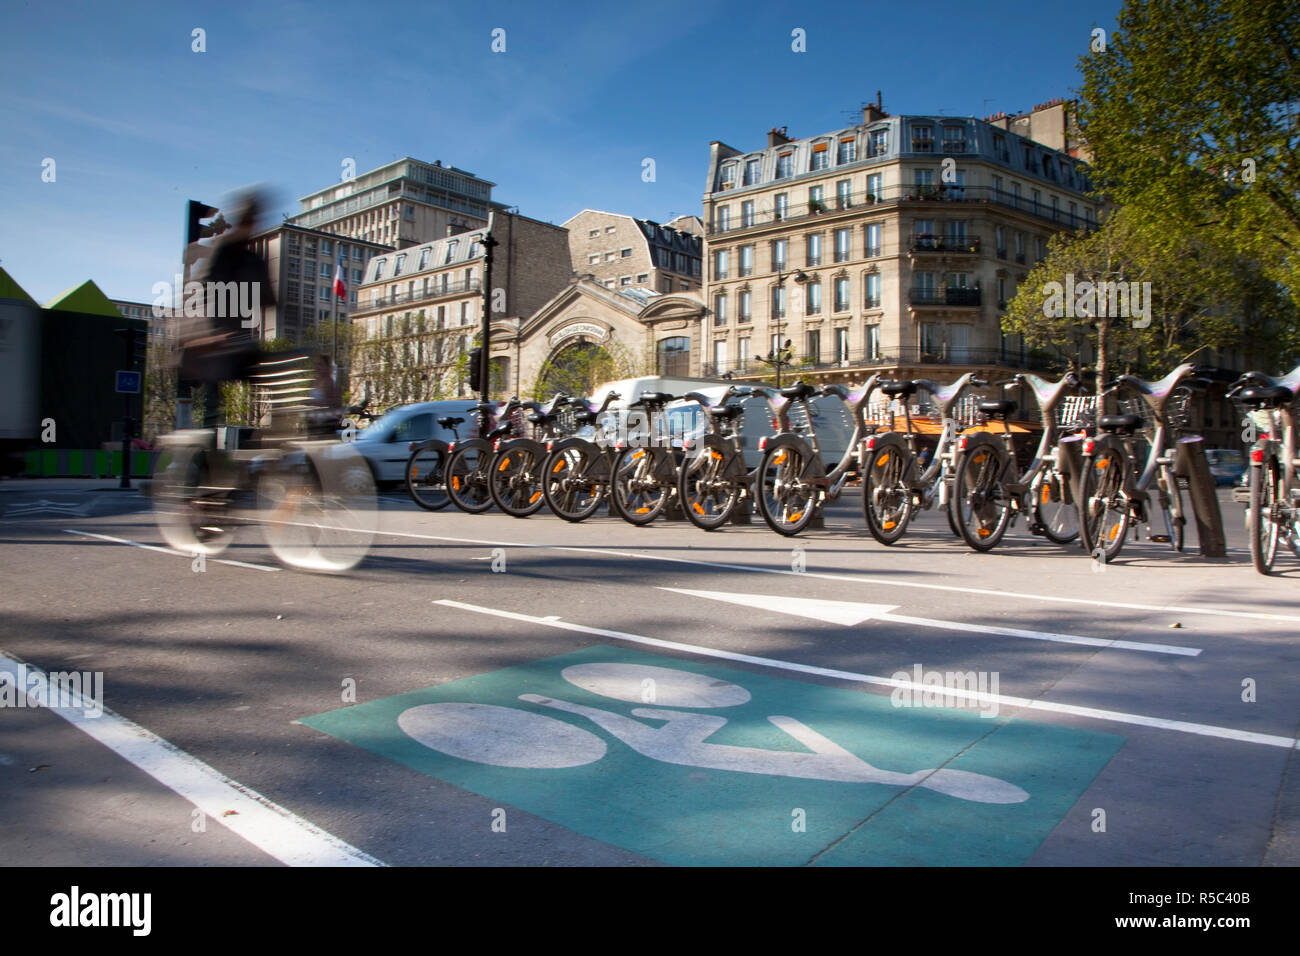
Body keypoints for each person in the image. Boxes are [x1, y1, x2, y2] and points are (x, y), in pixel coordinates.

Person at [177, 189, 275, 429]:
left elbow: (269, 300)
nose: (252, 226)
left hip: (240, 343)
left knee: (274, 375)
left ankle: (270, 439)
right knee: (214, 393)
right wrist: (209, 334)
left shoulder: (254, 258)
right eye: (248, 220)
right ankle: (209, 447)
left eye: (255, 221)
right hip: (212, 342)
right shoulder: (223, 250)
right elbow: (202, 290)